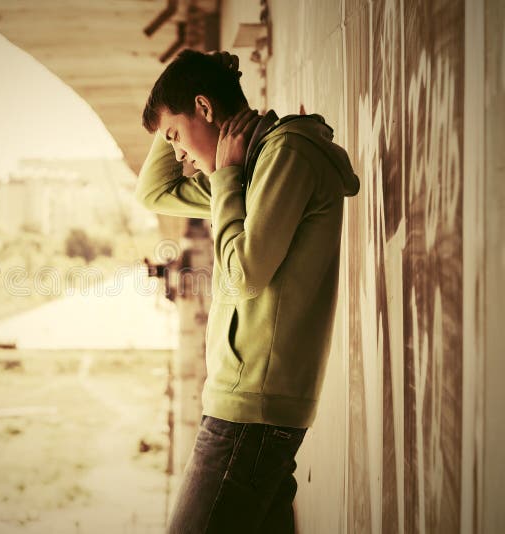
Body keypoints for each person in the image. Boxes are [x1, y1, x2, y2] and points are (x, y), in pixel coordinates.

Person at [135, 49, 360, 533]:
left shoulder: (284, 156)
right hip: (249, 403)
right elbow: (153, 191)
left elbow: (245, 273)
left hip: (250, 409)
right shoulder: (250, 168)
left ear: (204, 107)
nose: (176, 153)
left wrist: (224, 177)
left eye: (174, 135)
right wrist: (218, 168)